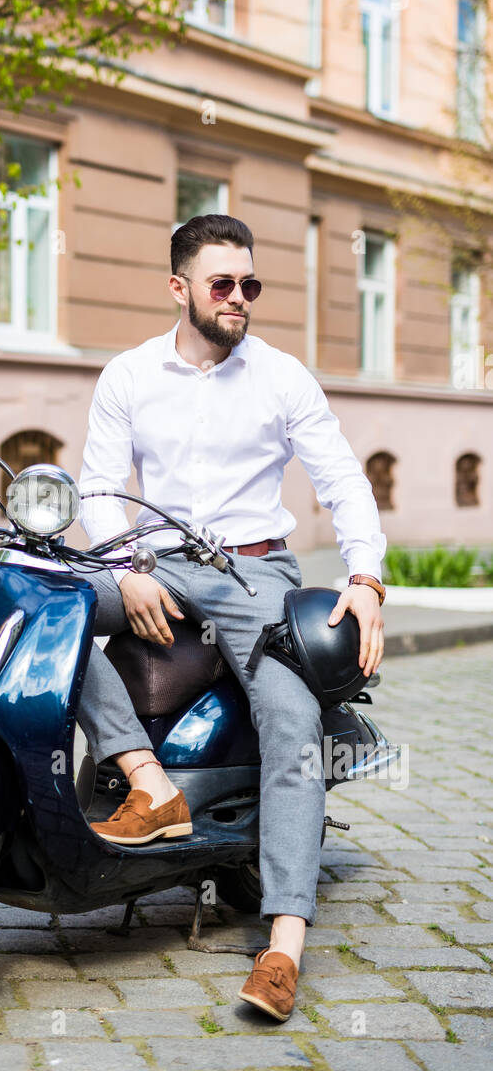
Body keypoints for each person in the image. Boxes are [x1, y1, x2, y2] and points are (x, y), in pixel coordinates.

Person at [73, 213, 386, 1021]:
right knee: (49, 613)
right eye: (223, 283)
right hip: (155, 566)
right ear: (179, 289)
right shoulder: (129, 375)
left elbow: (342, 477)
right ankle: (148, 784)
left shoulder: (282, 377)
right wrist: (124, 569)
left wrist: (367, 576)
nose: (240, 297)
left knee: (291, 721)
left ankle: (282, 945)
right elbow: (100, 489)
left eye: (251, 283)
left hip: (254, 575)